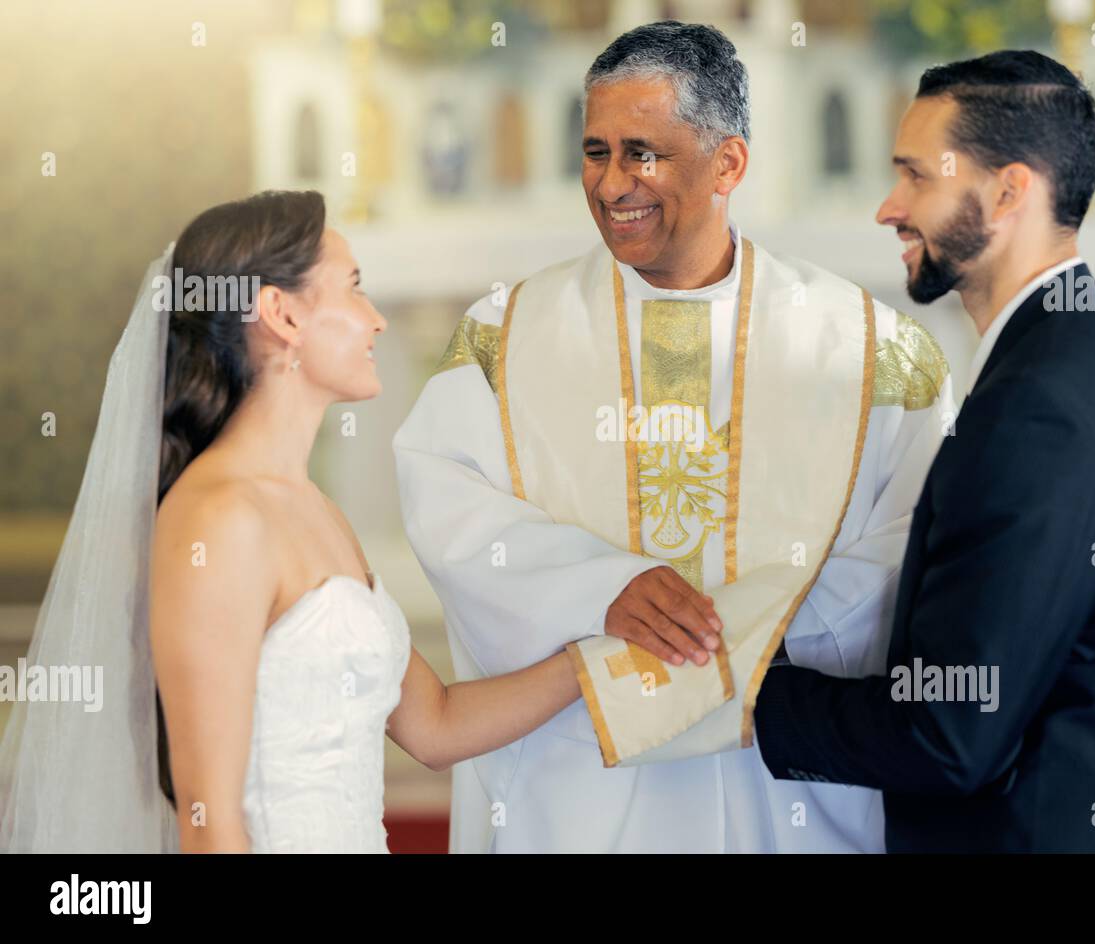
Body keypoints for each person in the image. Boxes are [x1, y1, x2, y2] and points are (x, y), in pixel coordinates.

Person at [394, 21, 952, 853]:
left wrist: (722, 643)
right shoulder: (505, 335)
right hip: (582, 788)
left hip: (780, 779)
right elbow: (451, 510)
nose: (614, 183)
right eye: (595, 152)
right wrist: (599, 591)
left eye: (642, 153)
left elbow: (916, 546)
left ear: (728, 163)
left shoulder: (866, 346)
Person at [0, 190, 582, 853]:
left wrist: (603, 655)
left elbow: (437, 728)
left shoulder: (315, 507)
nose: (377, 320)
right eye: (355, 290)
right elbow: (209, 821)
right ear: (279, 313)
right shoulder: (218, 518)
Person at [752, 50, 1095, 853]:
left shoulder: (1041, 410)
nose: (888, 207)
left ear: (1010, 191)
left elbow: (949, 735)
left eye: (917, 177)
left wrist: (738, 694)